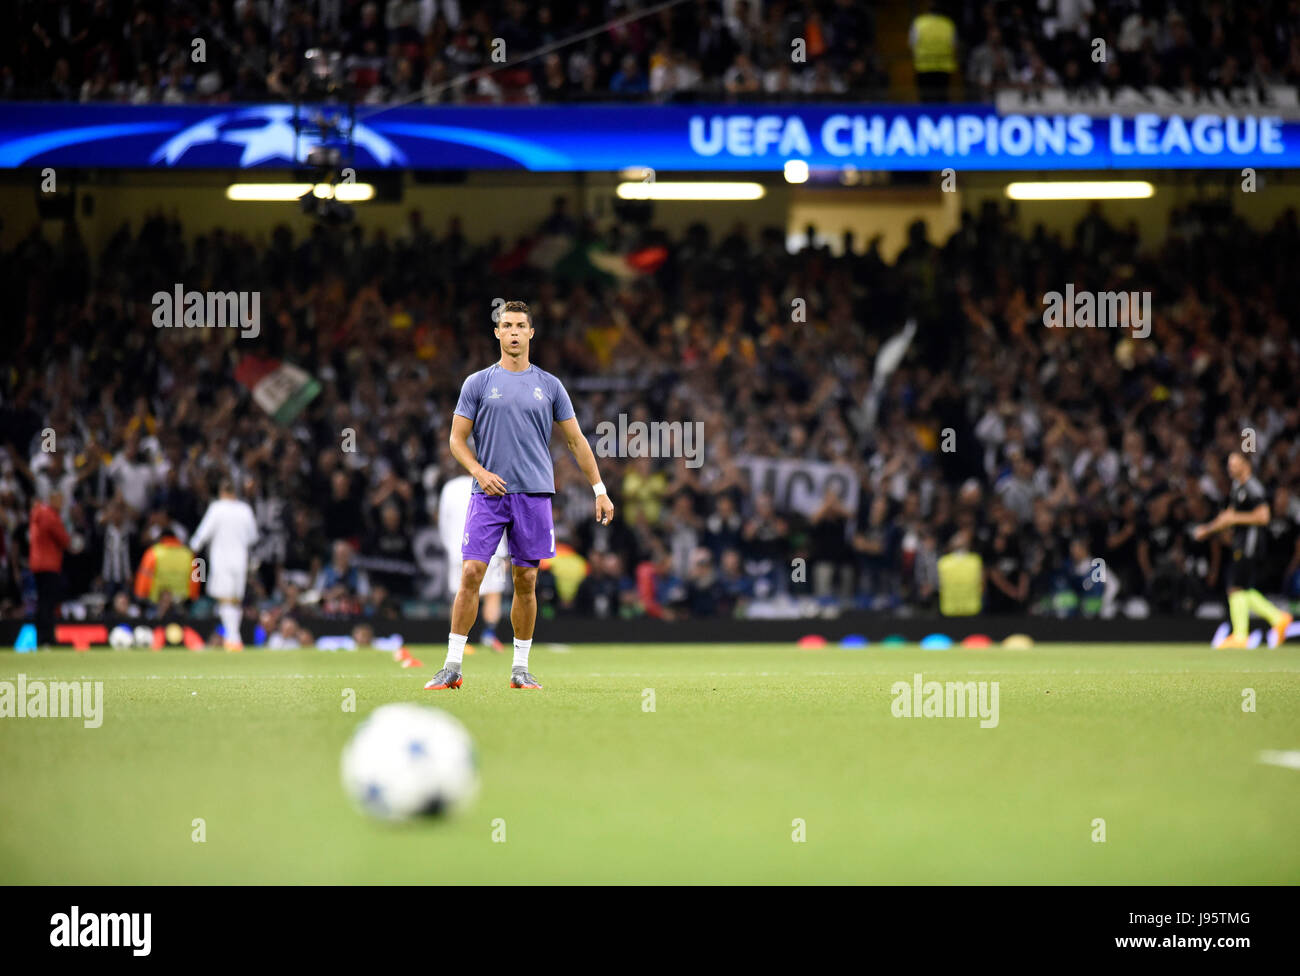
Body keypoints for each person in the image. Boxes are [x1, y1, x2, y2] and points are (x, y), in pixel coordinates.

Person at [425, 300, 615, 692]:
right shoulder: (477, 383)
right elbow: (456, 440)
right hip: (487, 495)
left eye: (520, 326)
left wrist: (599, 490)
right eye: (506, 325)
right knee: (472, 573)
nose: (513, 331)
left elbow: (577, 442)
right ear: (497, 333)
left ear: (531, 333)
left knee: (525, 579)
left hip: (534, 495)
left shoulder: (550, 386)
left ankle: (520, 668)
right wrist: (478, 471)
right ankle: (452, 665)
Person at [1194, 452, 1293, 648]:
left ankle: (1241, 635)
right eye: (1229, 464)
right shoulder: (1237, 487)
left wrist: (1236, 518)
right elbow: (1228, 516)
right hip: (1241, 543)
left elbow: (1264, 517)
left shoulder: (1252, 487)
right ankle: (1278, 618)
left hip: (1250, 543)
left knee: (1235, 587)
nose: (1231, 468)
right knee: (1242, 589)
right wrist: (1208, 529)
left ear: (1246, 465)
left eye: (1235, 464)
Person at [438, 473, 510, 652]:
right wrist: (507, 551)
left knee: (460, 594)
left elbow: (443, 521)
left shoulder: (450, 487)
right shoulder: (495, 480)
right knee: (494, 594)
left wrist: (449, 546)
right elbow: (507, 516)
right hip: (496, 550)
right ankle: (489, 635)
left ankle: (458, 641)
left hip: (458, 550)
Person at [190, 479, 259, 651]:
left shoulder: (217, 508)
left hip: (222, 561)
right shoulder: (245, 509)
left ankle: (233, 638)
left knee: (226, 601)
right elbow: (253, 537)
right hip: (240, 562)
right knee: (234, 602)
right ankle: (233, 637)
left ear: (221, 492)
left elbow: (202, 534)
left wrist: (192, 546)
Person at [29, 489, 70, 648]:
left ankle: (41, 637)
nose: (62, 503)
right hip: (49, 564)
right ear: (52, 499)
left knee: (42, 602)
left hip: (37, 564)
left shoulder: (37, 514)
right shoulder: (49, 515)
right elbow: (64, 539)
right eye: (59, 500)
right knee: (48, 603)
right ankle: (46, 638)